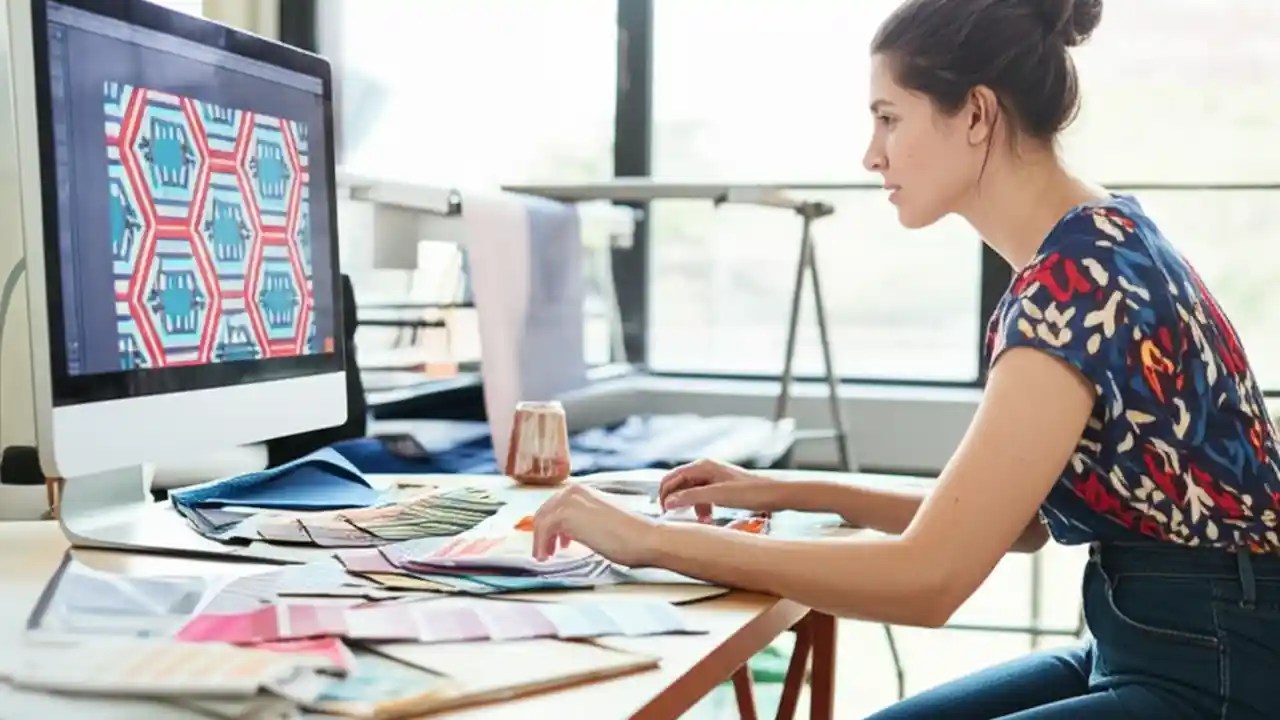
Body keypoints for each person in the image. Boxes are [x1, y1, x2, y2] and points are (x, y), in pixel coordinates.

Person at [530, 0, 1280, 716]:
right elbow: (1011, 524)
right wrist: (786, 492)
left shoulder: (1073, 288)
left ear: (977, 114)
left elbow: (931, 579)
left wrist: (654, 541)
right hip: (1162, 636)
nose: (871, 154)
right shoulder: (1101, 238)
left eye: (889, 118)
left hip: (1212, 666)